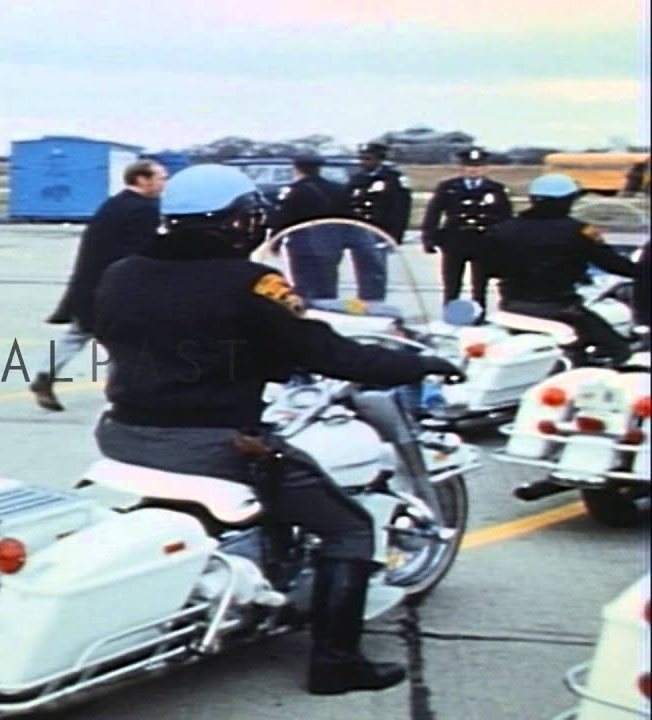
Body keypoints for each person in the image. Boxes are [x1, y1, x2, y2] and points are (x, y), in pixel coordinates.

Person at [90, 164, 464, 695]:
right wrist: (412, 364)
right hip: (211, 445)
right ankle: (337, 663)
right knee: (349, 528)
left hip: (122, 434)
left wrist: (249, 361)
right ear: (234, 223)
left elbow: (138, 337)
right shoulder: (251, 281)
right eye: (248, 217)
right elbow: (324, 351)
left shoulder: (122, 272)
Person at [30, 159, 167, 411]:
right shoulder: (144, 210)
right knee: (126, 342)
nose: (164, 183)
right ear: (141, 179)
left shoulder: (114, 204)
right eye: (160, 178)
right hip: (115, 288)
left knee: (80, 335)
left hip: (91, 285)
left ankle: (45, 375)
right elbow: (144, 251)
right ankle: (122, 392)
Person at [483, 174, 640, 366]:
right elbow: (612, 263)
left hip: (512, 305)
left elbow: (490, 268)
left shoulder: (503, 229)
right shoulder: (578, 231)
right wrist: (641, 272)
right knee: (619, 350)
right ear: (566, 201)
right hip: (560, 308)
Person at [419, 147, 513, 318]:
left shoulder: (496, 189)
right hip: (455, 240)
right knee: (452, 283)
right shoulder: (448, 187)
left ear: (485, 168)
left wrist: (505, 243)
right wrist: (428, 238)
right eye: (469, 166)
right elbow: (433, 214)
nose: (473, 170)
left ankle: (478, 316)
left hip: (483, 242)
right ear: (462, 167)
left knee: (480, 285)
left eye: (478, 166)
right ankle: (451, 315)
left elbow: (505, 217)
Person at [269, 155, 354, 301]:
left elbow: (283, 218)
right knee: (327, 284)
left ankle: (307, 314)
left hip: (303, 243)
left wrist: (275, 242)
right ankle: (327, 312)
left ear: (297, 169)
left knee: (303, 285)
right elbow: (349, 217)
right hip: (332, 243)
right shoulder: (338, 189)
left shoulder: (295, 190)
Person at [346, 142, 412, 301]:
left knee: (376, 271)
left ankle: (375, 302)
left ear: (379, 159)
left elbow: (401, 209)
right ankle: (364, 300)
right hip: (359, 231)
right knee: (361, 269)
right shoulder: (357, 178)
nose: (364, 162)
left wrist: (395, 236)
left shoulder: (394, 179)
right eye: (361, 158)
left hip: (381, 230)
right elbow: (348, 204)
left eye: (368, 158)